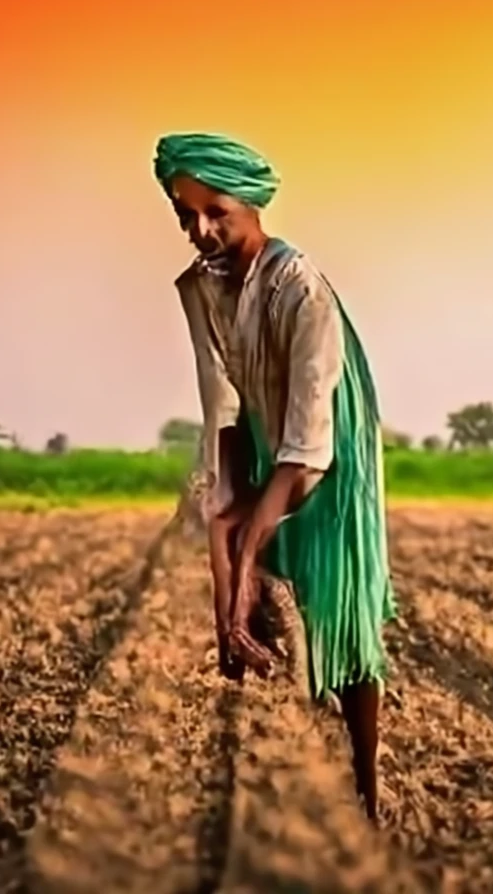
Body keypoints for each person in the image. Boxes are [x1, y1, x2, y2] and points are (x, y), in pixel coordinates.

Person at [154, 131, 397, 821]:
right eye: (185, 216)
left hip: (328, 451)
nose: (200, 231)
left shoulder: (300, 287)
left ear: (252, 205)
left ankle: (366, 789)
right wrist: (226, 581)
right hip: (262, 439)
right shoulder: (198, 289)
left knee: (339, 609)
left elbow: (309, 442)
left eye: (216, 213)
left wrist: (250, 551)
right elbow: (222, 415)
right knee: (245, 581)